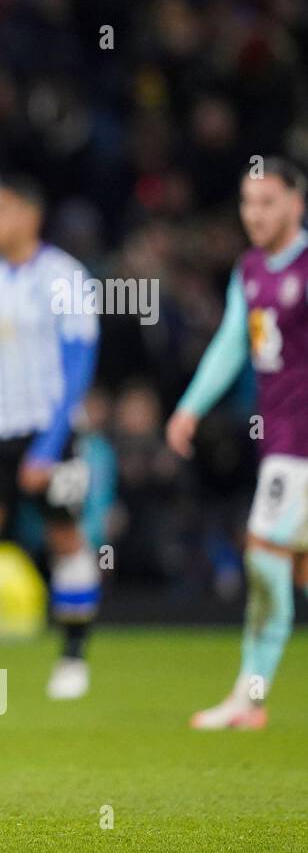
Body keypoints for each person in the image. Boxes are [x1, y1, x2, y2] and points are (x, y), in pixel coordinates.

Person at [0, 177, 102, 699]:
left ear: (30, 215)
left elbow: (79, 365)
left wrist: (50, 446)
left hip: (45, 429)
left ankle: (73, 659)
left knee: (65, 539)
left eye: (0, 211)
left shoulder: (64, 277)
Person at [166, 157, 308, 730]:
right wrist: (190, 407)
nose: (255, 213)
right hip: (278, 437)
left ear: (296, 203)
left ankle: (249, 698)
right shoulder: (249, 269)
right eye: (248, 202)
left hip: (301, 443)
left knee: (263, 550)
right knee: (290, 566)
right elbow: (231, 343)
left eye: (268, 201)